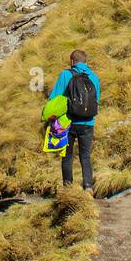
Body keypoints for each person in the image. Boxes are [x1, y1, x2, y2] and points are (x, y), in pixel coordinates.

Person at [41, 49, 100, 192]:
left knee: (67, 156)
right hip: (88, 123)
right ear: (85, 61)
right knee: (85, 156)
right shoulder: (94, 77)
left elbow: (54, 99)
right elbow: (96, 99)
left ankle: (68, 188)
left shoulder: (66, 75)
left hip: (69, 123)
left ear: (72, 61)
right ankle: (88, 186)